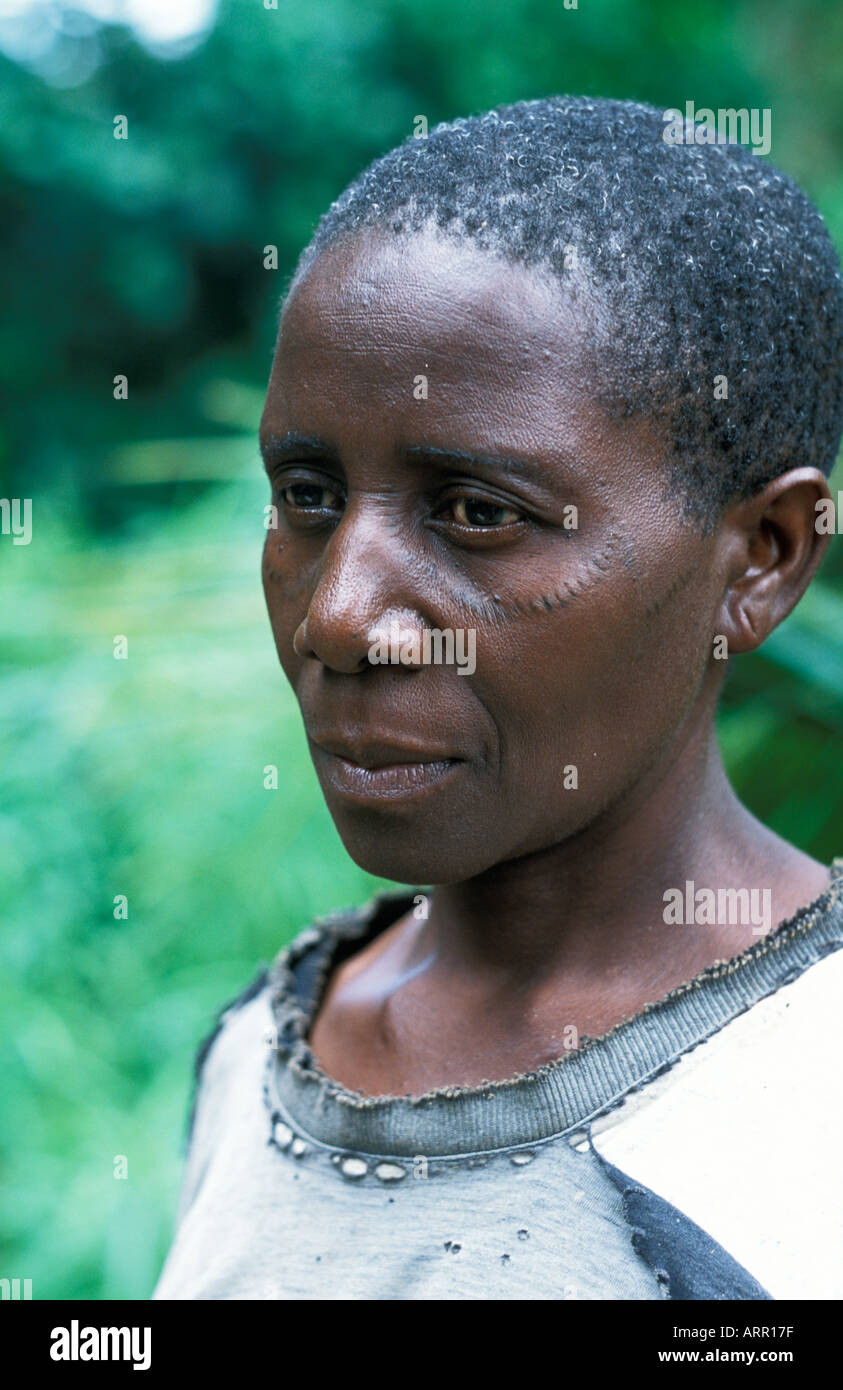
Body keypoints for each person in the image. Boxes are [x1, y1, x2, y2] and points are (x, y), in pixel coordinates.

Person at [154, 96, 843, 1301]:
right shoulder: (256, 1054)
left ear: (763, 559)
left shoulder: (804, 1107)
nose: (338, 617)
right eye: (309, 493)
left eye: (479, 512)